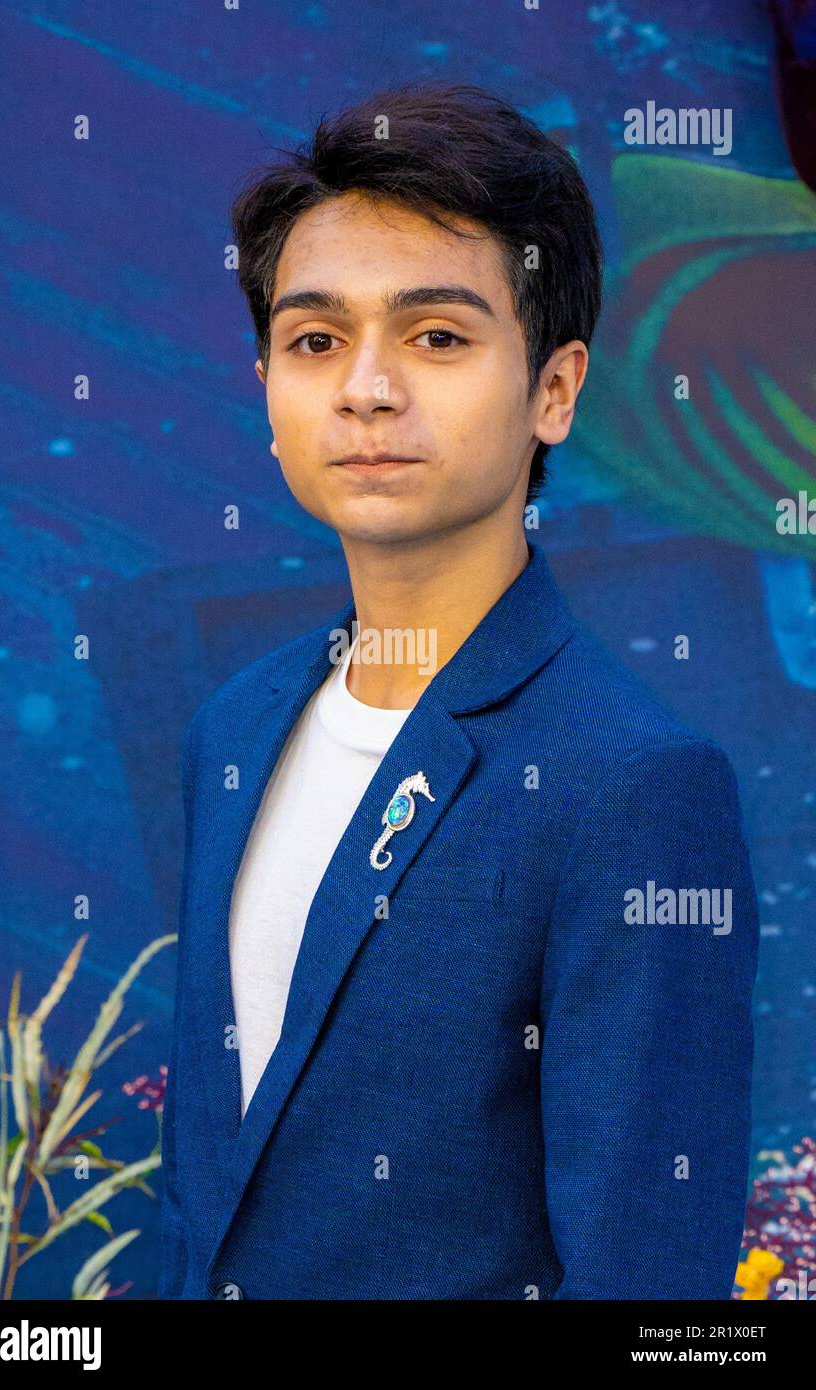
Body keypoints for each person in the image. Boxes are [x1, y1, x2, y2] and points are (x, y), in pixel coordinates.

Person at [158, 82, 759, 1300]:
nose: (364, 390)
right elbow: (207, 1188)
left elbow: (648, 1283)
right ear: (268, 394)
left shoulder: (634, 786)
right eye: (314, 340)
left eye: (435, 335)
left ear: (553, 388)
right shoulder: (233, 725)